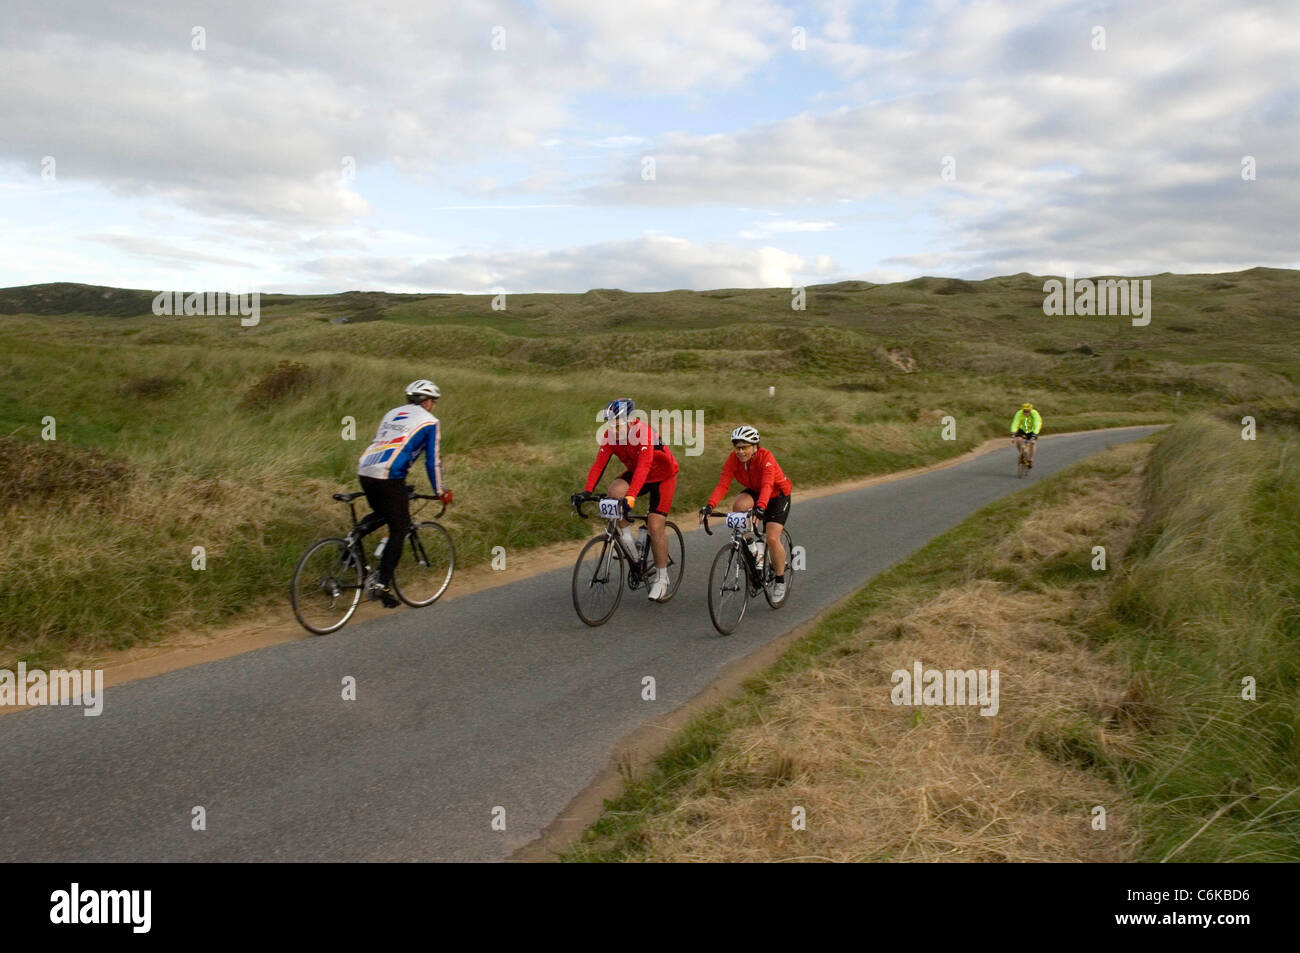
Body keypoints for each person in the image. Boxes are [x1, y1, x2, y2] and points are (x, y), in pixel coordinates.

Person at [356, 379, 452, 607]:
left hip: (365, 469)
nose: (433, 406)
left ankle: (352, 541)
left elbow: (385, 443)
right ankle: (382, 584)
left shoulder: (392, 413)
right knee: (400, 528)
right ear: (427, 402)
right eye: (434, 402)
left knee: (383, 513)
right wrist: (440, 491)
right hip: (390, 476)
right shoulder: (430, 422)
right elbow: (432, 461)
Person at [573, 398, 680, 601]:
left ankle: (662, 578)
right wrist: (586, 491)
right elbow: (599, 464)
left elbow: (644, 466)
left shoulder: (643, 433)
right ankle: (629, 541)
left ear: (630, 420)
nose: (613, 428)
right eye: (610, 423)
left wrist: (630, 496)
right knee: (614, 493)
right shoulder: (610, 436)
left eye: (617, 423)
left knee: (655, 525)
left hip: (662, 477)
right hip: (639, 473)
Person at [699, 425, 793, 602]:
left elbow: (767, 485)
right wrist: (710, 506)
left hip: (777, 495)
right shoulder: (733, 459)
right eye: (737, 447)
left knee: (772, 538)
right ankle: (753, 549)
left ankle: (780, 580)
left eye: (745, 447)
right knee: (738, 506)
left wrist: (761, 508)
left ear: (755, 446)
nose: (740, 451)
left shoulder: (766, 457)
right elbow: (723, 484)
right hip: (756, 491)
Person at [1010, 402, 1043, 467]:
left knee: (1032, 443)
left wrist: (1034, 434)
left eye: (1028, 411)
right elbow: (1015, 423)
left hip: (1032, 430)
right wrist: (1013, 433)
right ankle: (1021, 454)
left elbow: (1037, 423)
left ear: (1030, 410)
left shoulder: (1035, 414)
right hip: (1022, 429)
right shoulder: (1019, 413)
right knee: (1018, 440)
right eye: (1024, 411)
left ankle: (1031, 459)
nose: (1026, 413)